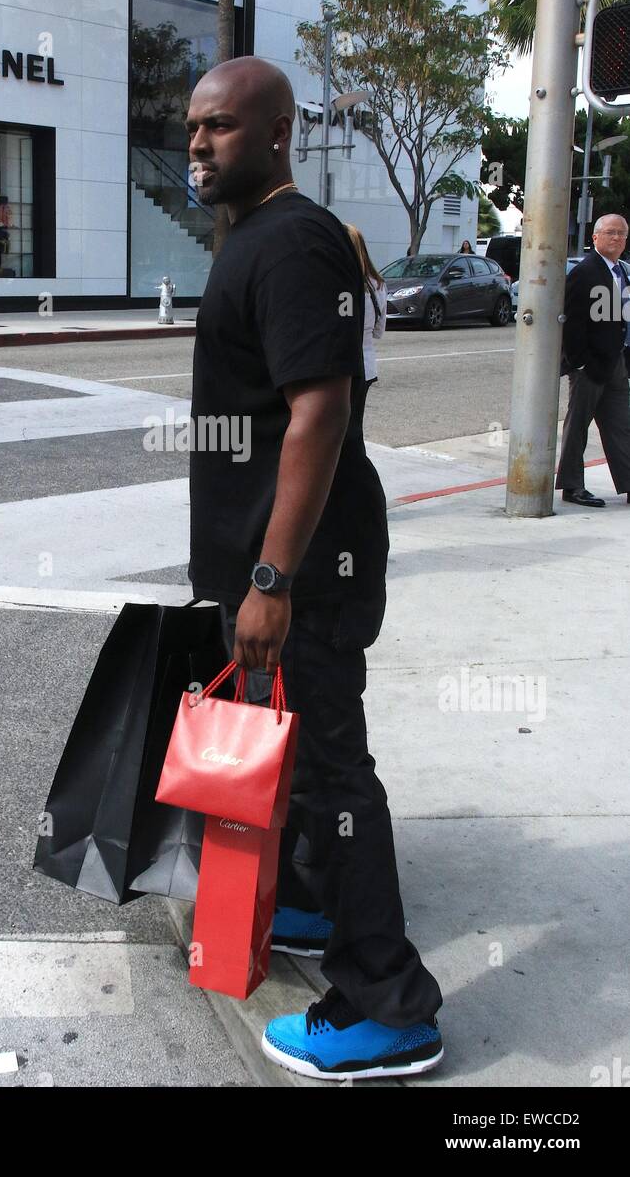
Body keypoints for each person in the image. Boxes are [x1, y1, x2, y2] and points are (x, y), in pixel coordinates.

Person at [186, 56, 443, 1082]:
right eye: (193, 126)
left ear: (278, 132)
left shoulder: (290, 241)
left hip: (304, 572)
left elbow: (319, 411)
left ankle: (388, 1003)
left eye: (221, 127)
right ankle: (303, 898)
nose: (198, 142)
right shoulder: (258, 235)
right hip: (274, 561)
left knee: (335, 772)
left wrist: (270, 581)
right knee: (290, 751)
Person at [556, 213, 630, 507]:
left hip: (615, 365)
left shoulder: (620, 270)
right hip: (589, 366)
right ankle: (572, 486)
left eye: (621, 234)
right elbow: (572, 323)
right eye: (610, 232)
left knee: (622, 426)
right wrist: (580, 362)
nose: (616, 238)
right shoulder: (585, 272)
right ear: (595, 237)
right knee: (578, 426)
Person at [344, 223, 387, 396]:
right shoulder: (379, 284)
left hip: (343, 367)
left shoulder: (341, 283)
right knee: (356, 421)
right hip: (368, 365)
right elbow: (378, 331)